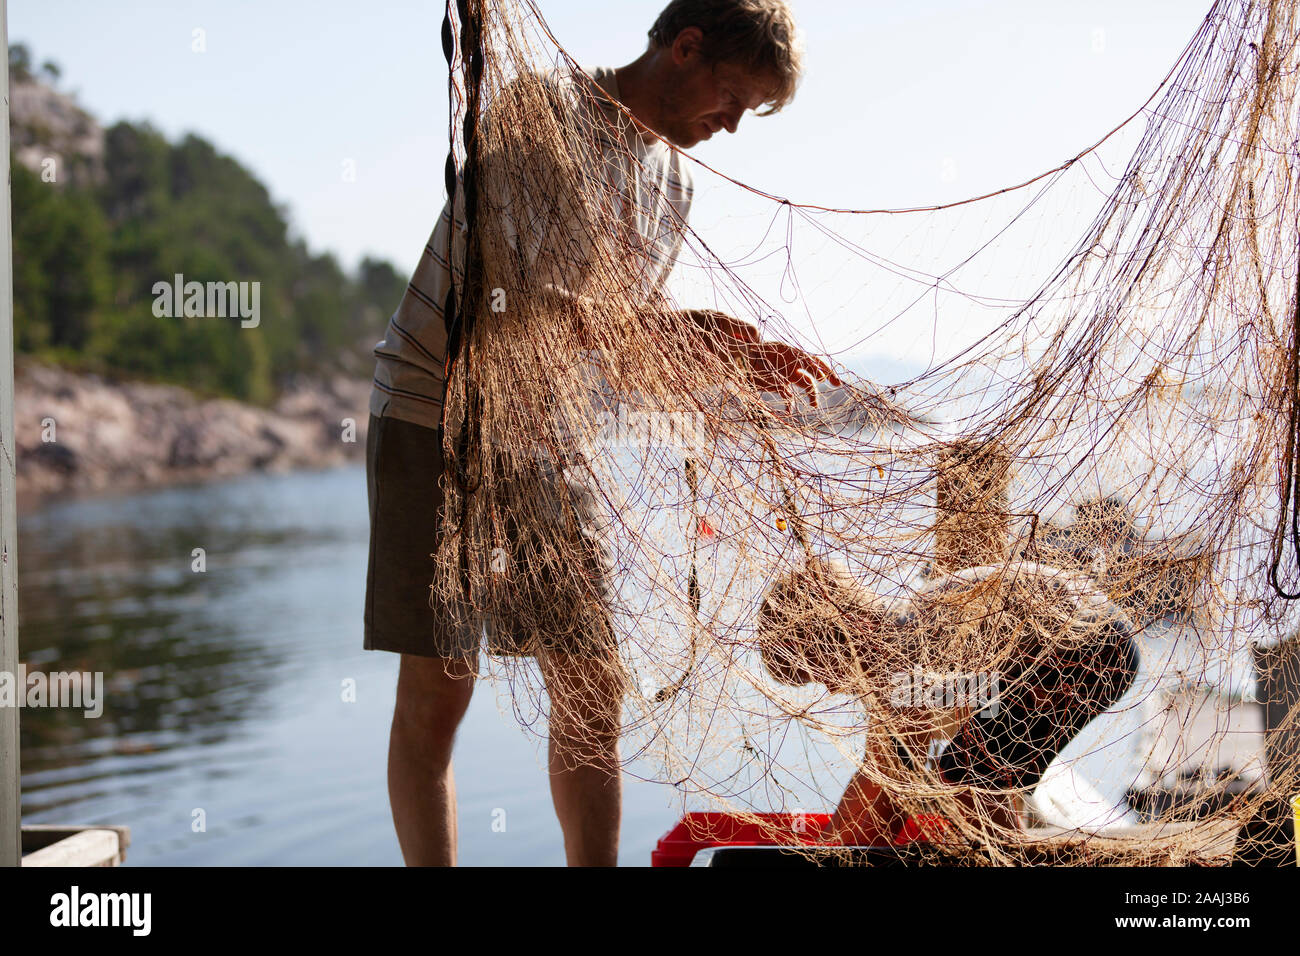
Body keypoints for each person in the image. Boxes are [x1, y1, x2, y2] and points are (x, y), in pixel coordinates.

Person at [366, 0, 840, 866]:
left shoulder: (677, 180)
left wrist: (726, 357)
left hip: (550, 432)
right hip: (435, 411)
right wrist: (682, 334)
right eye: (732, 97)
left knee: (592, 686)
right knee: (441, 686)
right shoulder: (543, 117)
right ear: (685, 48)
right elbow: (523, 307)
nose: (731, 126)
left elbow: (622, 340)